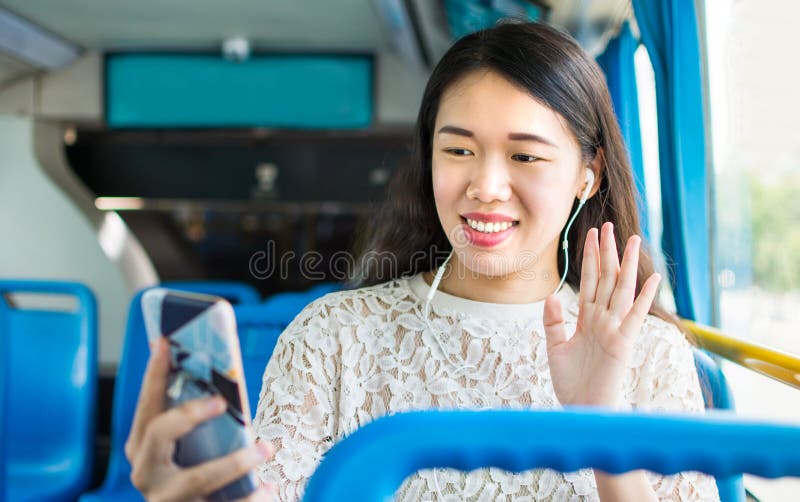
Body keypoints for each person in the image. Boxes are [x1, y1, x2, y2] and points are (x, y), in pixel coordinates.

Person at [127, 21, 721, 501]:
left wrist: (602, 426)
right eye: (458, 149)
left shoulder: (650, 354)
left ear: (587, 176)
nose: (485, 186)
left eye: (525, 157)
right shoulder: (332, 338)